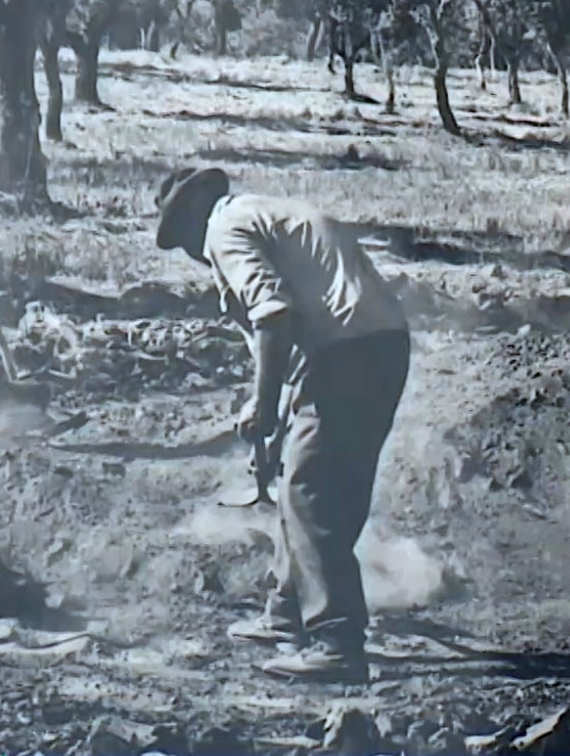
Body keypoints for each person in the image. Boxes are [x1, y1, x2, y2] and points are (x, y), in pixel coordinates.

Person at [153, 167, 411, 683]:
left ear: (188, 223)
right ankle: (288, 610)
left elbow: (273, 315)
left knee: (309, 491)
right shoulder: (265, 214)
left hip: (348, 354)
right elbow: (303, 321)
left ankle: (336, 642)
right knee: (320, 483)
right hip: (380, 346)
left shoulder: (224, 228)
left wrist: (264, 405)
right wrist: (282, 416)